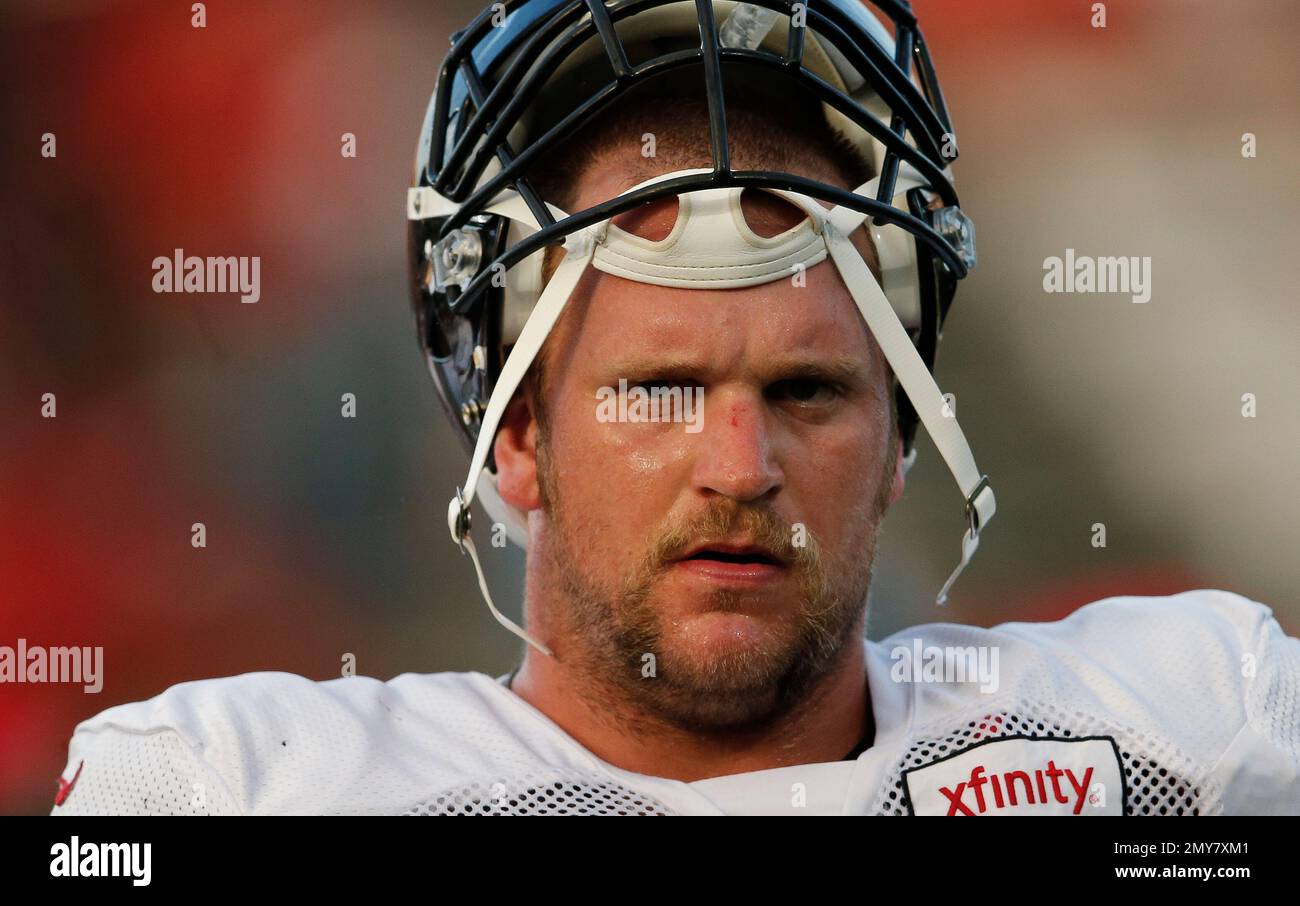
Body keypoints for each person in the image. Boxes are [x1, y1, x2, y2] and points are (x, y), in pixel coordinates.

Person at [52, 0, 1298, 816]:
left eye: (805, 389)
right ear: (518, 433)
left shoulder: (1186, 739)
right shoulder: (221, 787)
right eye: (659, 388)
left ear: (902, 437)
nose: (740, 464)